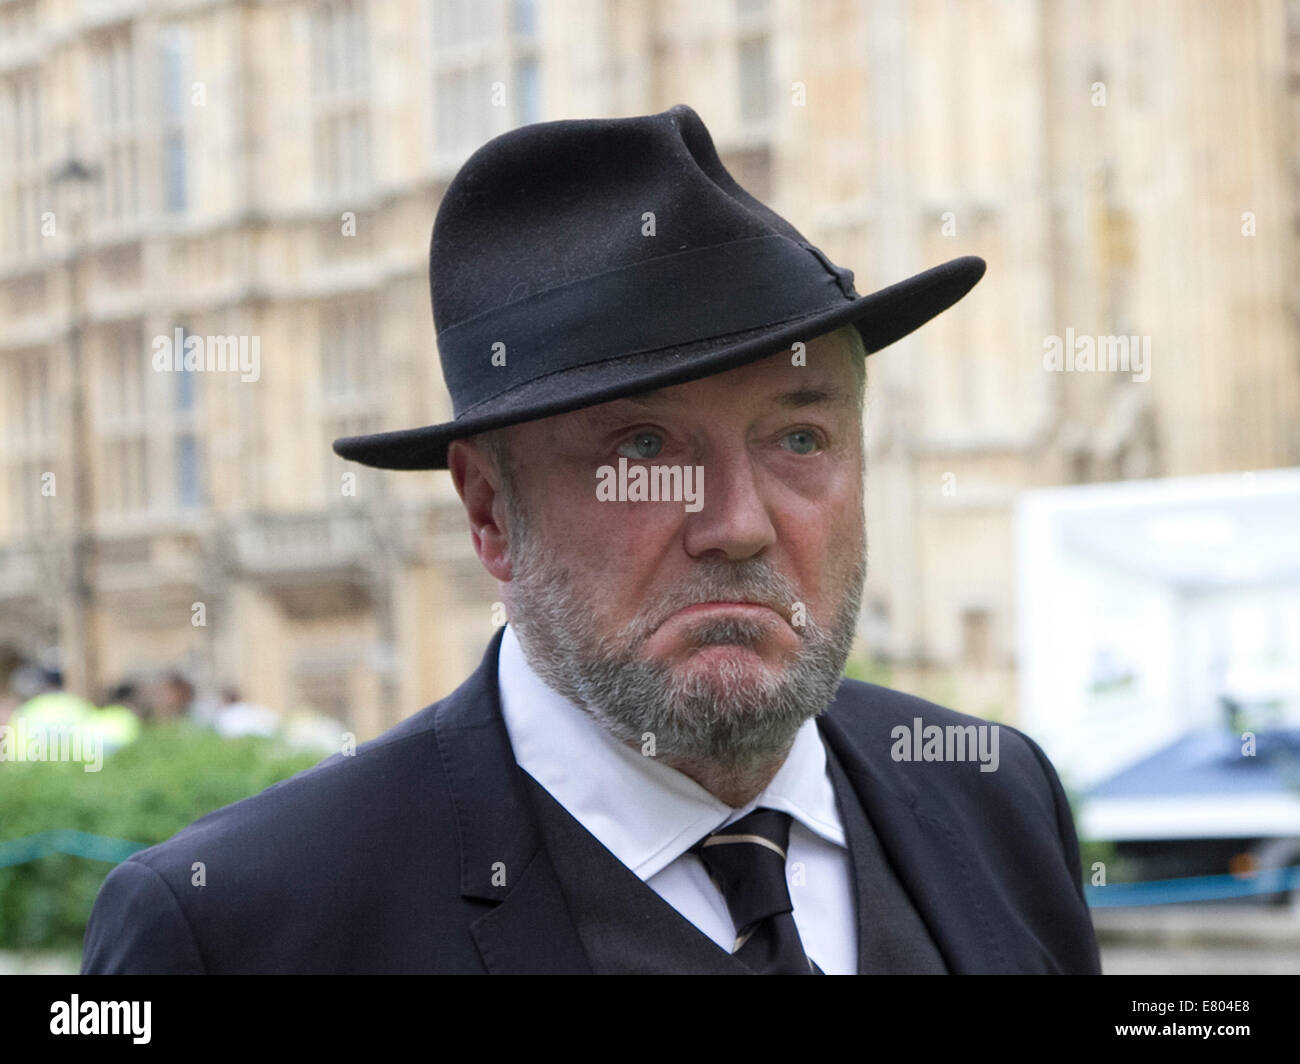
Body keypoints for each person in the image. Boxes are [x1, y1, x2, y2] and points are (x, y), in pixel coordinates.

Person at [82, 104, 1100, 974]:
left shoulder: (993, 797)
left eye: (799, 436)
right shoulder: (240, 927)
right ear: (489, 510)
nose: (737, 521)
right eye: (644, 445)